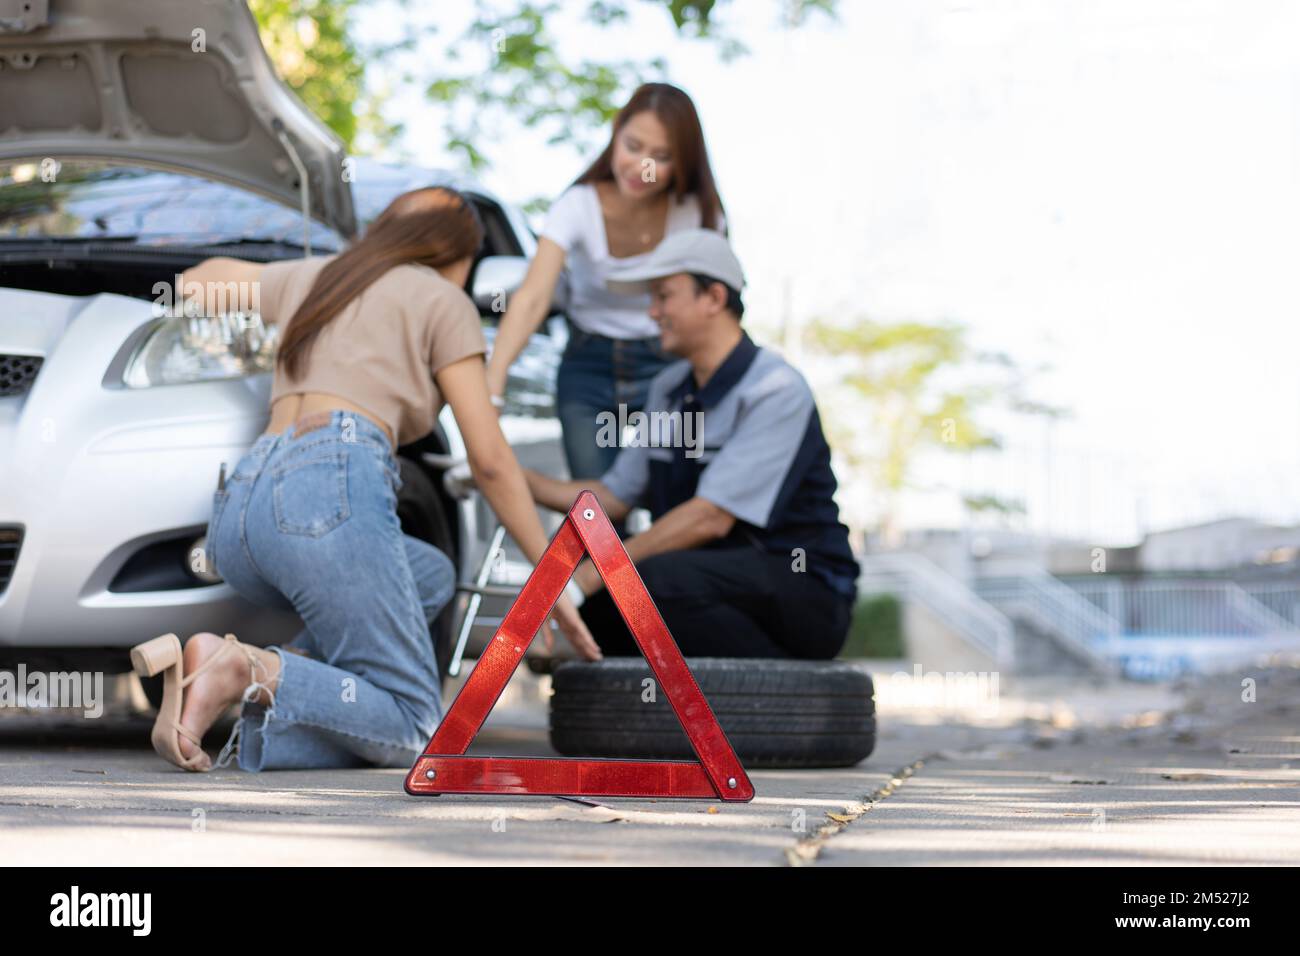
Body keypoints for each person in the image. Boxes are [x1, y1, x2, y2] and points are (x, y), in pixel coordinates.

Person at [130, 186, 600, 774]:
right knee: (414, 727)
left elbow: (195, 283)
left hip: (241, 511)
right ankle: (243, 670)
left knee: (427, 576)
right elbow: (491, 460)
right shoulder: (443, 301)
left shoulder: (318, 278)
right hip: (323, 499)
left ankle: (247, 692)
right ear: (459, 257)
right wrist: (553, 578)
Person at [521, 229, 862, 659]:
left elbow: (710, 519)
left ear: (714, 298)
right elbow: (611, 497)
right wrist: (505, 476)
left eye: (663, 297)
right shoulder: (669, 390)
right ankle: (646, 715)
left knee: (651, 584)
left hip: (801, 590)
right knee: (607, 609)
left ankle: (779, 692)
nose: (653, 312)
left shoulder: (774, 389)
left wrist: (590, 579)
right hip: (705, 577)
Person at [485, 81, 727, 484]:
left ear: (683, 161)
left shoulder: (699, 216)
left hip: (669, 365)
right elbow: (532, 297)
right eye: (633, 147)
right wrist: (492, 385)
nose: (641, 167)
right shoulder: (576, 206)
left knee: (677, 496)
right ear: (615, 135)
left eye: (662, 156)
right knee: (596, 516)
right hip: (589, 365)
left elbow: (716, 309)